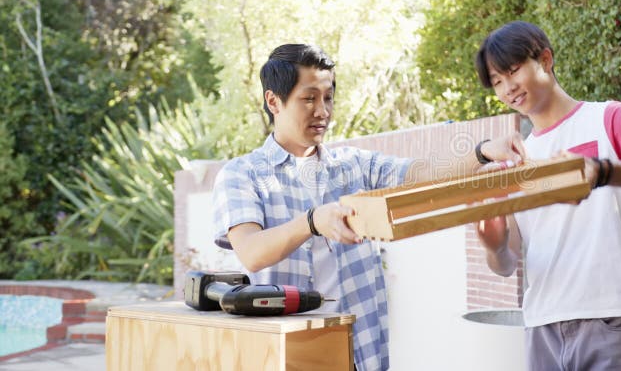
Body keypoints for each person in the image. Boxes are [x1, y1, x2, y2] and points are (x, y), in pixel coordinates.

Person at [212, 43, 522, 371]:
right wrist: (313, 221)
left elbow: (419, 174)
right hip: (284, 355)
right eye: (309, 98)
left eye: (328, 97)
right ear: (274, 101)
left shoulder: (353, 165)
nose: (323, 111)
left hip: (359, 353)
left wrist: (482, 152)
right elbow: (251, 251)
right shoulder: (242, 174)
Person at [472, 21, 621, 370]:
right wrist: (494, 247)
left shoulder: (609, 118)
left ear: (544, 59)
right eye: (497, 81)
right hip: (541, 327)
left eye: (513, 71)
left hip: (610, 319)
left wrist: (601, 171)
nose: (508, 88)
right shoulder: (515, 161)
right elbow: (507, 263)